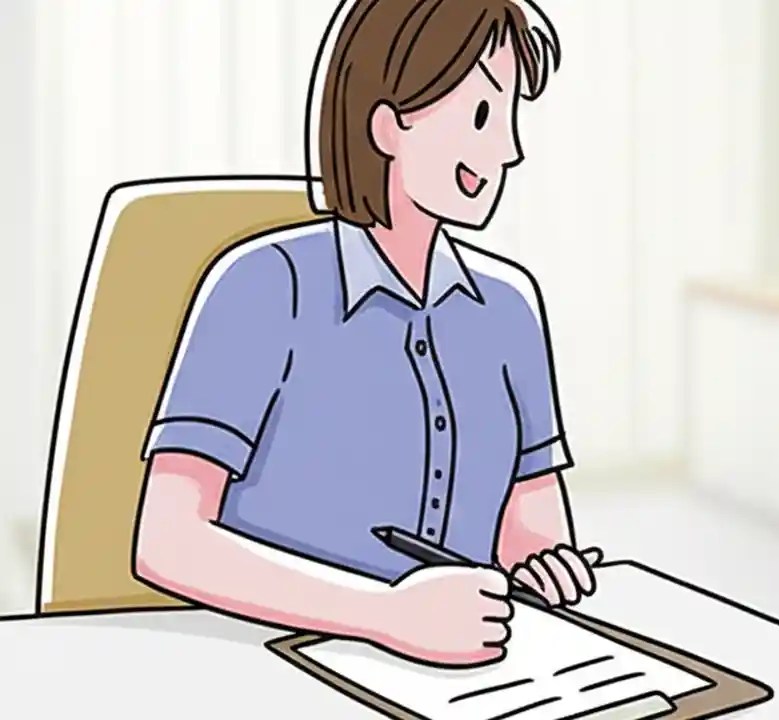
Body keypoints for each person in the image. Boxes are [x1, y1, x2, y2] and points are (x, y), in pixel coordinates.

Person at [133, 0, 599, 668]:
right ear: (387, 124)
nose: (509, 149)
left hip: (462, 672)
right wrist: (383, 616)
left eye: (510, 117)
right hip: (264, 667)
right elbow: (167, 539)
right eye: (480, 115)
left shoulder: (508, 312)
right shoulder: (265, 287)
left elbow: (531, 517)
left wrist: (541, 564)